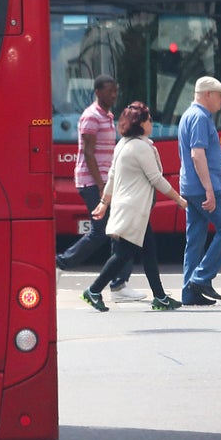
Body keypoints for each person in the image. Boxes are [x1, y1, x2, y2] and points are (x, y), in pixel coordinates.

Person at [80, 102, 188, 312]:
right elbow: (156, 179)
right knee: (123, 254)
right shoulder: (140, 147)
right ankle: (93, 290)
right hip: (133, 209)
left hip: (131, 208)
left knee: (149, 253)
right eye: (148, 120)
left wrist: (104, 203)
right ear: (140, 124)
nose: (151, 123)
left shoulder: (124, 144)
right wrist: (179, 199)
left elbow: (111, 176)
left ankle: (160, 297)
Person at [54, 75, 143, 301]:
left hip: (105, 182)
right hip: (92, 183)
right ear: (97, 92)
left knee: (117, 231)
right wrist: (103, 187)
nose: (113, 95)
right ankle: (62, 263)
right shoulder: (91, 117)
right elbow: (89, 153)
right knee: (104, 232)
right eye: (109, 91)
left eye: (115, 90)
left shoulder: (108, 116)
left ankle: (118, 283)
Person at [178, 76, 221, 306]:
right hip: (203, 187)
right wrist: (209, 189)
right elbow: (197, 154)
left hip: (190, 186)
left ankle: (189, 293)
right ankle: (201, 277)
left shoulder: (188, 116)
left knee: (195, 238)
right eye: (219, 95)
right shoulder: (201, 118)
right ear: (207, 95)